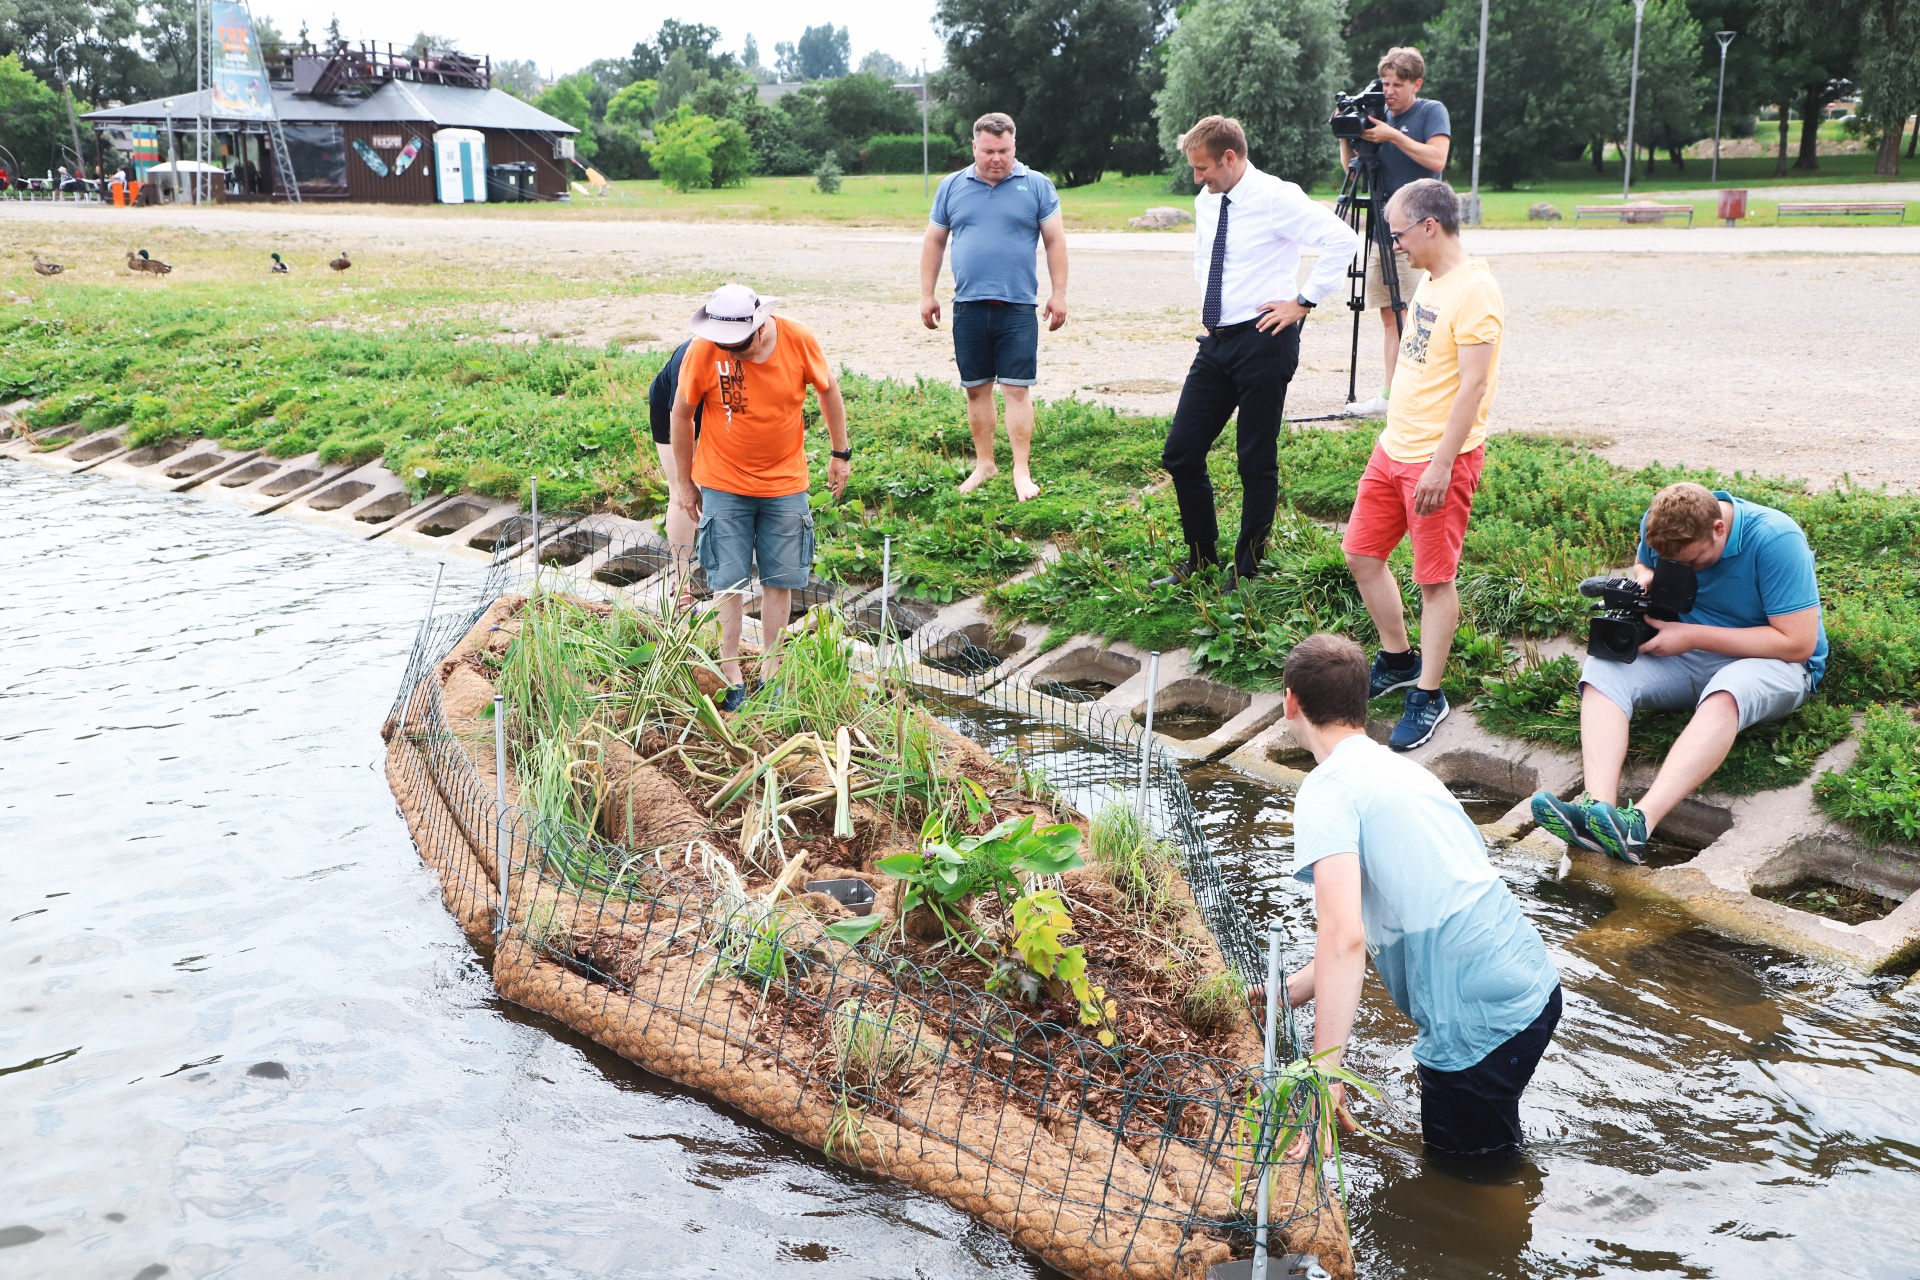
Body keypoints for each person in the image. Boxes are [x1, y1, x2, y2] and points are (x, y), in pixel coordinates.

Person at [1277, 632, 1562, 1158]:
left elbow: (1343, 938)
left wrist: (1323, 1081)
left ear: (1290, 700)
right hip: (1530, 985)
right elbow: (1370, 930)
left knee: (1467, 1183)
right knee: (1488, 1146)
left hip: (1476, 1021)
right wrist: (1277, 995)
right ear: (1363, 703)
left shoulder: (1328, 789)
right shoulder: (1399, 770)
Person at [1531, 482, 1828, 863]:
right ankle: (1597, 814)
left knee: (1728, 691)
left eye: (1692, 561)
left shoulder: (1776, 539)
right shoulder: (1661, 526)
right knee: (1602, 666)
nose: (1682, 569)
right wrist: (1644, 575)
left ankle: (1638, 825)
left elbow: (1797, 643)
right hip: (1687, 649)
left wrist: (1690, 635)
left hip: (1778, 663)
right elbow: (1645, 563)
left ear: (1718, 528)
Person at [1155, 115, 1358, 588]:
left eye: (1203, 167)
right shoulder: (1207, 200)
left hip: (1264, 340)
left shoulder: (1276, 197)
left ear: (1230, 157)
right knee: (1181, 453)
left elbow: (1342, 239)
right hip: (1217, 342)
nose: (1196, 177)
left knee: (1255, 459)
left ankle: (1247, 569)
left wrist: (1303, 301)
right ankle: (1201, 559)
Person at [1342, 178, 1504, 752]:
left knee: (1434, 580)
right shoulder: (1432, 282)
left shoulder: (1476, 291)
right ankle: (1398, 657)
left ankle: (1429, 693)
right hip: (1394, 448)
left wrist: (1439, 466)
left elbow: (1474, 386)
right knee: (1362, 553)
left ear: (1429, 226)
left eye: (1398, 232)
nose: (1395, 244)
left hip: (1439, 460)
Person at [670, 284, 852, 710]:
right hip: (722, 482)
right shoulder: (704, 351)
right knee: (726, 579)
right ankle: (730, 674)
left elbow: (828, 391)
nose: (730, 353)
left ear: (759, 325)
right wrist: (683, 482)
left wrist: (840, 453)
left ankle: (771, 670)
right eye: (723, 344)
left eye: (738, 345)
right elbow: (681, 413)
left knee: (781, 577)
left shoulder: (797, 339)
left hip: (785, 483)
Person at [919, 112, 1067, 502]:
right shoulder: (951, 186)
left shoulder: (1036, 186)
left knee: (1017, 390)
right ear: (974, 148)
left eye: (1003, 150)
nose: (996, 158)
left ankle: (1022, 470)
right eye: (988, 151)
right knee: (976, 389)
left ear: (1014, 146)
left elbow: (1055, 242)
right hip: (968, 306)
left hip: (1018, 307)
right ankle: (985, 463)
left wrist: (1059, 293)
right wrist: (927, 293)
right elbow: (934, 241)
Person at [1339, 46, 1452, 418]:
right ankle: (1391, 395)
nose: (1389, 91)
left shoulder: (1430, 112)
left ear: (1416, 83)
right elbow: (1352, 168)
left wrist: (1392, 136)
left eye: (1398, 84)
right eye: (1385, 83)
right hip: (1382, 227)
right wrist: (1347, 133)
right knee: (1390, 314)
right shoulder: (1377, 114)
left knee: (1412, 315)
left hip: (1420, 227)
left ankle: (1412, 395)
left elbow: (1437, 159)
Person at [647, 338, 704, 583]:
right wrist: (686, 480)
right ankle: (682, 582)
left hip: (719, 410)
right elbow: (681, 418)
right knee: (683, 494)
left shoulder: (750, 349)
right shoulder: (690, 357)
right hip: (675, 413)